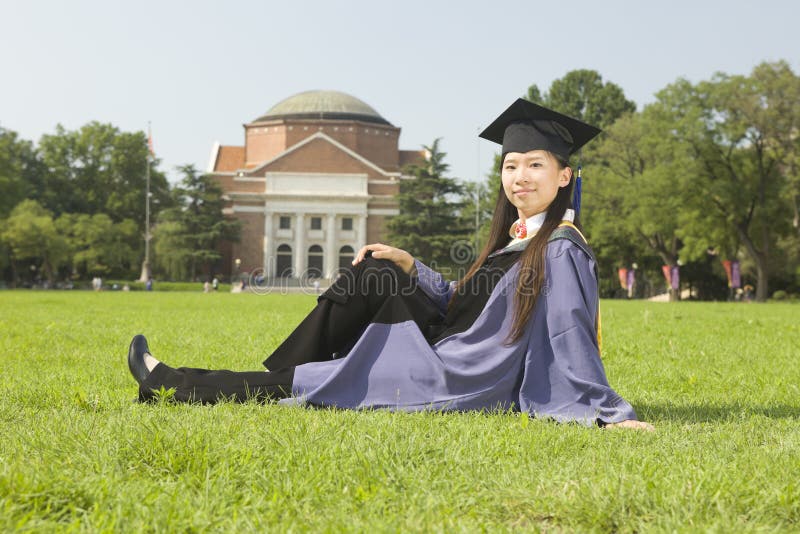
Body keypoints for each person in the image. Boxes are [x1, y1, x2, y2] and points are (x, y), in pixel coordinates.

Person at [127, 99, 653, 430]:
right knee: (378, 268)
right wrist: (409, 263)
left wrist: (607, 411)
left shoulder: (559, 248)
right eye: (510, 166)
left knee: (321, 383)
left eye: (535, 166)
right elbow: (461, 304)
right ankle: (280, 376)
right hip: (449, 342)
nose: (519, 177)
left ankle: (176, 383)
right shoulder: (517, 240)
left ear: (565, 177)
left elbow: (568, 333)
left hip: (458, 371)